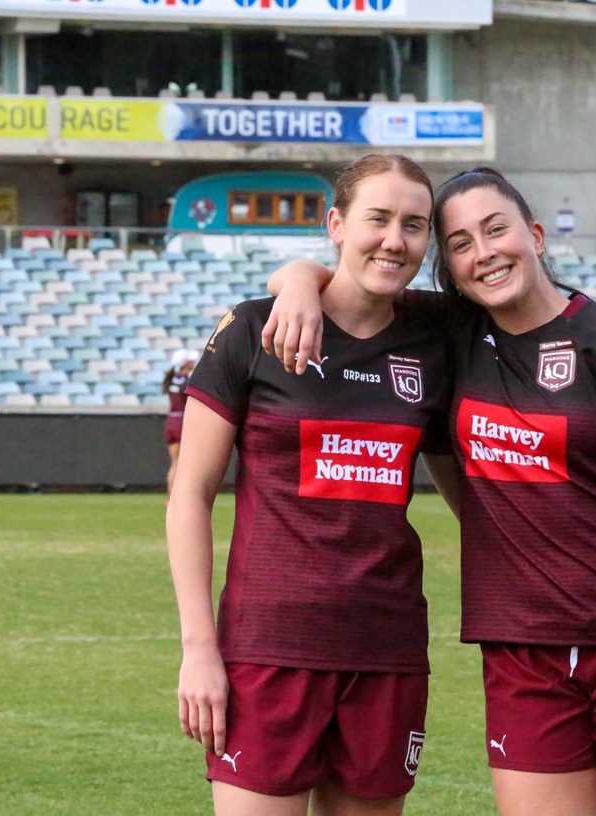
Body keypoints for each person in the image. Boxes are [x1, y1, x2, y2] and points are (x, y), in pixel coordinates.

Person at [265, 167, 596, 816]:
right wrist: (296, 283)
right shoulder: (449, 332)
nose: (484, 252)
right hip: (520, 648)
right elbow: (346, 281)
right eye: (461, 243)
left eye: (496, 230)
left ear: (535, 234)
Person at [166, 154, 452, 816]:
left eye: (415, 225)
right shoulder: (252, 329)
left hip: (387, 648)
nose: (395, 240)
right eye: (377, 219)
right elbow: (190, 497)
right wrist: (199, 648)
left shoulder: (437, 339)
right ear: (336, 224)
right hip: (266, 646)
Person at [163, 349, 199, 496]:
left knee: (175, 462)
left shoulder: (170, 380)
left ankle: (170, 494)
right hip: (182, 421)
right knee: (183, 462)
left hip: (171, 420)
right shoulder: (187, 382)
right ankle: (179, 495)